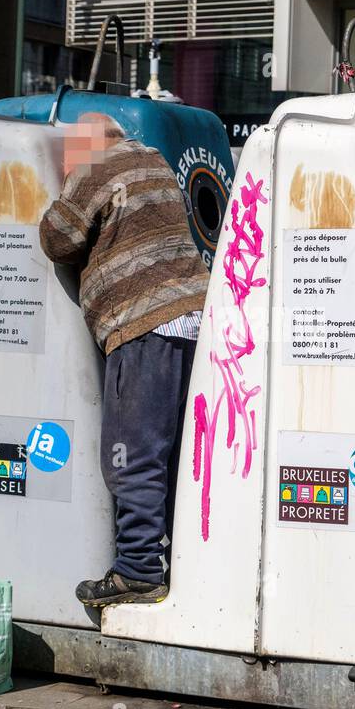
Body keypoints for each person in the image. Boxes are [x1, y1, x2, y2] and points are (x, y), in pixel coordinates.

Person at [39, 114, 209, 607]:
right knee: (172, 455)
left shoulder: (94, 166)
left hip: (142, 324)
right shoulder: (152, 160)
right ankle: (178, 561)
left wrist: (62, 187)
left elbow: (58, 238)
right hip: (192, 318)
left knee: (129, 456)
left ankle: (136, 570)